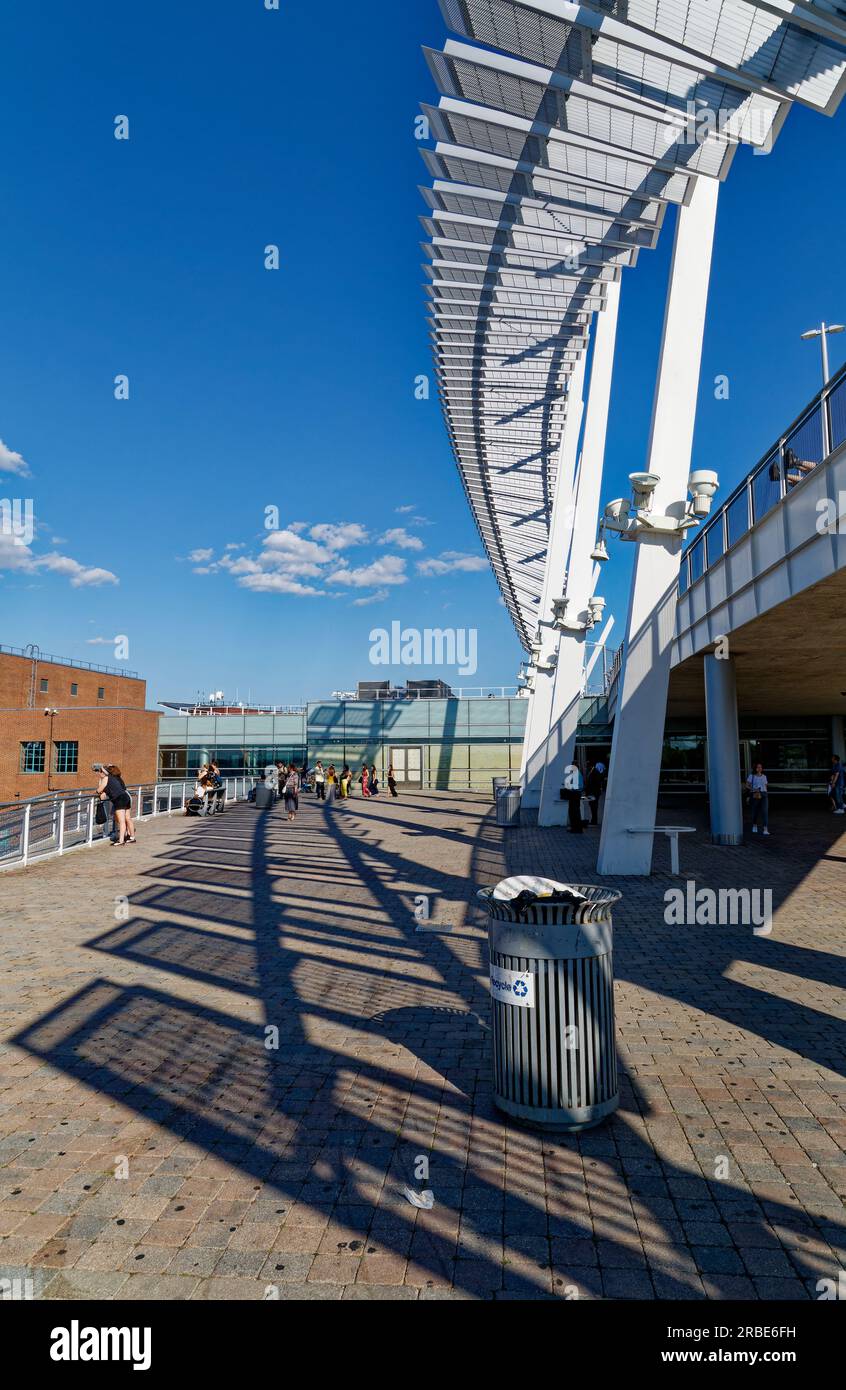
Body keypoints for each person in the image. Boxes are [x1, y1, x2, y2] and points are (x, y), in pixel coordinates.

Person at [98, 764, 135, 845]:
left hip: (119, 798)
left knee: (121, 821)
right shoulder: (116, 778)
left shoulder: (108, 778)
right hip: (126, 797)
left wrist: (100, 781)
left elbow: (99, 789)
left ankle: (121, 840)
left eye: (100, 771)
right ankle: (131, 837)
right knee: (127, 818)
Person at [747, 762, 770, 836]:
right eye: (758, 767)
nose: (759, 768)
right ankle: (754, 825)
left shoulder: (764, 776)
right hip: (755, 794)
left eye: (761, 767)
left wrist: (765, 793)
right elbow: (747, 785)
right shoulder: (752, 776)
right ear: (755, 768)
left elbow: (766, 786)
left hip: (764, 794)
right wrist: (754, 789)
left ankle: (765, 829)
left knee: (765, 811)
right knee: (755, 811)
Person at [563, 761, 583, 834]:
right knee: (573, 811)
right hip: (574, 794)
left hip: (575, 794)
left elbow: (579, 786)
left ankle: (577, 828)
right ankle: (574, 827)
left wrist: (569, 786)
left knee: (575, 812)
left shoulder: (577, 775)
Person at [584, 761, 605, 826]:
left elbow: (596, 783)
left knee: (594, 806)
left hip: (593, 792)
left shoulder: (595, 772)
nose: (586, 767)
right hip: (592, 792)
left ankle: (594, 820)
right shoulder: (592, 771)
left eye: (587, 765)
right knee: (592, 806)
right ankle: (593, 820)